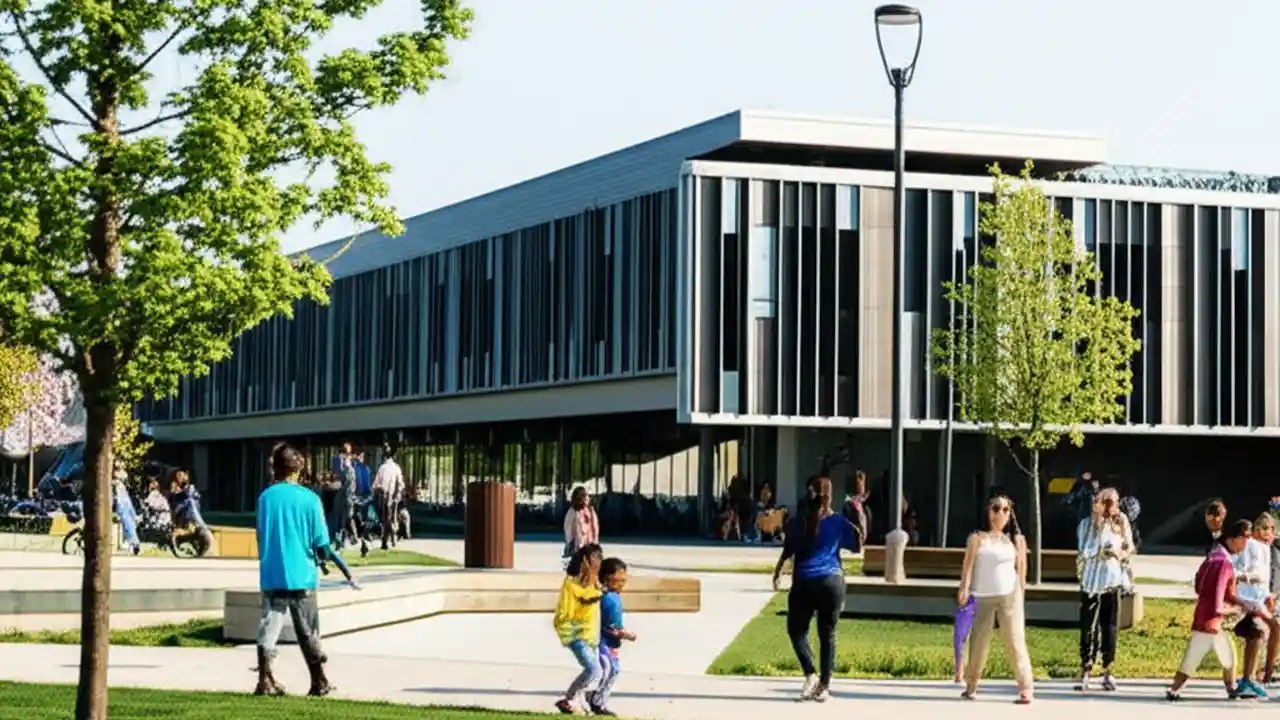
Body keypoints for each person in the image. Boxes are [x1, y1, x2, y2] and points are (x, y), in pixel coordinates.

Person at [254, 442, 360, 697]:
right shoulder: (310, 499)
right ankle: (318, 680)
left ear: (276, 468)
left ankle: (264, 679)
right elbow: (322, 544)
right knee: (308, 629)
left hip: (272, 573)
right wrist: (338, 565)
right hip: (302, 574)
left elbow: (261, 535)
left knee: (269, 626)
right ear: (299, 468)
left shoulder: (265, 498)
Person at [770, 476, 860, 703]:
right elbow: (857, 545)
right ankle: (825, 687)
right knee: (827, 634)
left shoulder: (796, 522)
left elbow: (788, 549)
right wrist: (858, 517)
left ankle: (810, 674)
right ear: (830, 497)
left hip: (805, 582)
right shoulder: (838, 521)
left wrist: (778, 571)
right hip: (832, 582)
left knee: (797, 631)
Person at [957, 491, 1033, 704]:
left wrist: (1021, 593)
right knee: (979, 641)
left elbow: (1021, 570)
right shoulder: (977, 538)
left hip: (1009, 595)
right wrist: (964, 588)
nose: (1000, 513)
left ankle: (1025, 687)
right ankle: (971, 685)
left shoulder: (1016, 540)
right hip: (983, 595)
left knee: (1015, 639)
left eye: (1005, 509)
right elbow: (968, 565)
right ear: (988, 511)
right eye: (996, 508)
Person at [1167, 519, 1254, 701]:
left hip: (1205, 617)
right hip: (1211, 621)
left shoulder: (1215, 556)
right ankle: (1229, 689)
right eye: (1245, 538)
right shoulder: (1223, 563)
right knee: (1222, 656)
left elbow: (1202, 587)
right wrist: (1231, 610)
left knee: (1206, 656)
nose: (1246, 544)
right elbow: (1217, 599)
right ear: (1233, 539)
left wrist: (1242, 603)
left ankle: (1176, 689)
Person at [1075, 487, 1134, 692]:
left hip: (1112, 579)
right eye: (1105, 502)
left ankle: (1108, 669)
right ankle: (1086, 667)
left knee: (1109, 626)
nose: (1110, 508)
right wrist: (1097, 525)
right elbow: (1084, 549)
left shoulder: (1121, 521)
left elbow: (1129, 547)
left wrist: (1118, 553)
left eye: (1113, 503)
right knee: (1088, 626)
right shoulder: (1087, 524)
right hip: (1091, 581)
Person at [553, 543, 604, 715]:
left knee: (596, 673)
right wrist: (596, 588)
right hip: (575, 633)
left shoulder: (594, 583)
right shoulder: (571, 583)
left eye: (599, 558)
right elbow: (584, 599)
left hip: (590, 635)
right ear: (584, 562)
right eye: (594, 558)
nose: (598, 562)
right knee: (593, 670)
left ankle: (578, 704)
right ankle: (570, 698)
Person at [584, 557, 636, 717]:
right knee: (609, 669)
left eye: (624, 580)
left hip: (611, 643)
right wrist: (625, 634)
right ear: (608, 578)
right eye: (619, 579)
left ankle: (596, 698)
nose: (622, 583)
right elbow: (610, 626)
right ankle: (597, 701)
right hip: (603, 642)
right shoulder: (607, 598)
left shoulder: (612, 596)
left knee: (613, 670)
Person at [1232, 515, 1275, 696]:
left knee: (1260, 633)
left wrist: (1267, 595)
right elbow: (1241, 568)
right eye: (1260, 529)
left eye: (1269, 529)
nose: (1265, 533)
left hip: (1257, 598)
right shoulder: (1252, 546)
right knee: (1260, 632)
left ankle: (1251, 677)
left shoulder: (1265, 548)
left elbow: (1263, 577)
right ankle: (1249, 678)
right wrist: (1248, 577)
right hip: (1247, 599)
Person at [373, 444, 405, 551]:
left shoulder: (382, 468)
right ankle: (386, 540)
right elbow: (401, 484)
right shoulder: (396, 468)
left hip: (385, 496)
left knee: (386, 519)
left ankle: (391, 536)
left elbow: (376, 484)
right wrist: (398, 495)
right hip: (394, 497)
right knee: (391, 518)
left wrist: (378, 489)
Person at [563, 486, 600, 562]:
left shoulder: (590, 510)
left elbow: (595, 526)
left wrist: (595, 541)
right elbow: (568, 527)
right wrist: (570, 542)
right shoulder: (573, 511)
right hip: (578, 543)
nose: (587, 498)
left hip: (590, 542)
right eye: (585, 496)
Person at [112, 472, 141, 556]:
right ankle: (132, 543)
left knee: (128, 524)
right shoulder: (120, 487)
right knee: (128, 524)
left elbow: (122, 500)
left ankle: (131, 542)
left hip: (123, 507)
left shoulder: (120, 486)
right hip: (124, 507)